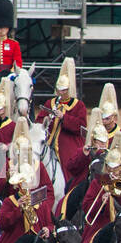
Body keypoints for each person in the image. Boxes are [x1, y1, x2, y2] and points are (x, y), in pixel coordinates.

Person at [36, 57, 89, 185]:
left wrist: (64, 117)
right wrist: (47, 119)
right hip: (49, 142)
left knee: (69, 164)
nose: (61, 93)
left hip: (67, 143)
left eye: (64, 90)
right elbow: (39, 121)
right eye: (59, 90)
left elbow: (81, 126)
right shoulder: (50, 102)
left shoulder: (78, 105)